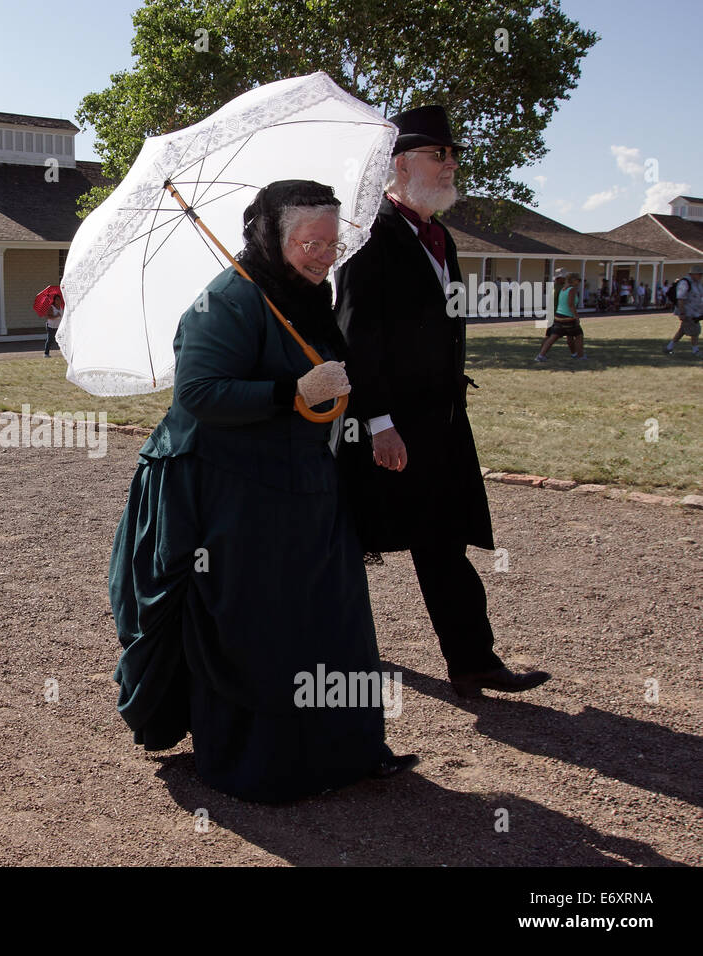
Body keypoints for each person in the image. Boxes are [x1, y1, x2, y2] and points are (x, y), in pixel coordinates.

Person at [109, 180, 417, 804]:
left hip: (303, 482)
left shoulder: (310, 294)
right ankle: (264, 766)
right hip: (228, 487)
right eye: (309, 242)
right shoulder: (225, 301)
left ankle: (350, 750)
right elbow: (197, 395)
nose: (324, 255)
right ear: (270, 237)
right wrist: (292, 393)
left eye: (332, 242)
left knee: (335, 616)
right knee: (261, 627)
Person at [335, 105, 550, 700]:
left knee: (442, 540)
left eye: (453, 155)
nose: (451, 164)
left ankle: (473, 662)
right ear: (400, 164)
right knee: (348, 543)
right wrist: (378, 422)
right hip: (386, 426)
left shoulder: (441, 236)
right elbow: (356, 338)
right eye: (439, 155)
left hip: (442, 424)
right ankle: (327, 652)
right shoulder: (368, 236)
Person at [536, 273, 586, 361]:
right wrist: (576, 317)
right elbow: (571, 305)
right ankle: (580, 356)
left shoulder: (563, 289)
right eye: (578, 280)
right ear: (573, 280)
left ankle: (540, 355)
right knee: (579, 335)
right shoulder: (572, 289)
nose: (579, 282)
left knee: (554, 336)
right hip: (568, 316)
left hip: (559, 316)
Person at [664, 265, 702, 356]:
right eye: (699, 274)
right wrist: (682, 313)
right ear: (693, 274)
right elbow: (680, 299)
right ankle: (695, 351)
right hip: (688, 311)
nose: (701, 276)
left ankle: (669, 347)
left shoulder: (697, 283)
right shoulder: (685, 283)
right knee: (695, 330)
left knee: (682, 330)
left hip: (695, 311)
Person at [43, 292, 62, 357]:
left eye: (59, 299)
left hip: (58, 326)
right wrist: (56, 316)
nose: (58, 301)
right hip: (51, 326)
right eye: (57, 300)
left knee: (62, 339)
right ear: (54, 300)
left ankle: (64, 352)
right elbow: (48, 317)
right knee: (50, 340)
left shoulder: (61, 308)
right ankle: (46, 353)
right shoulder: (51, 307)